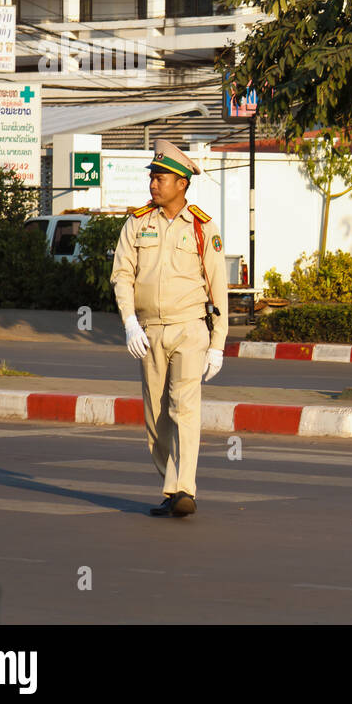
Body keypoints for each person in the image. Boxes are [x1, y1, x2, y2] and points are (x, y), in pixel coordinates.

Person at [111, 140, 228, 518]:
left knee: (184, 408)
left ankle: (184, 489)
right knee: (155, 417)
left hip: (190, 329)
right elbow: (122, 275)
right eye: (152, 177)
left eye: (160, 178)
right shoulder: (137, 222)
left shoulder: (201, 225)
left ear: (181, 183)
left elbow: (217, 287)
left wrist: (218, 345)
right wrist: (129, 322)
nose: (153, 184)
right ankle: (170, 485)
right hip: (148, 332)